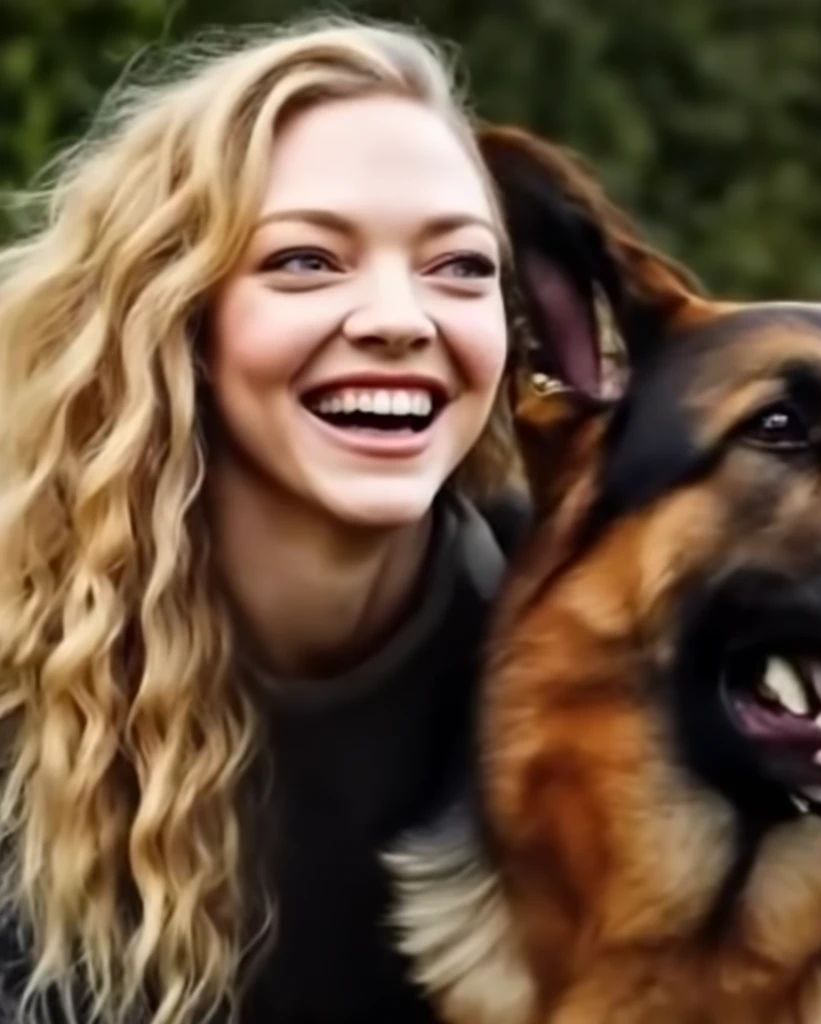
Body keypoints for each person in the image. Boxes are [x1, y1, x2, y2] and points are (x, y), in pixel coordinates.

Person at [0, 16, 526, 1024]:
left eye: (459, 266)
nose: (399, 317)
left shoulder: (605, 637)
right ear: (177, 319)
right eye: (306, 262)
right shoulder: (26, 656)